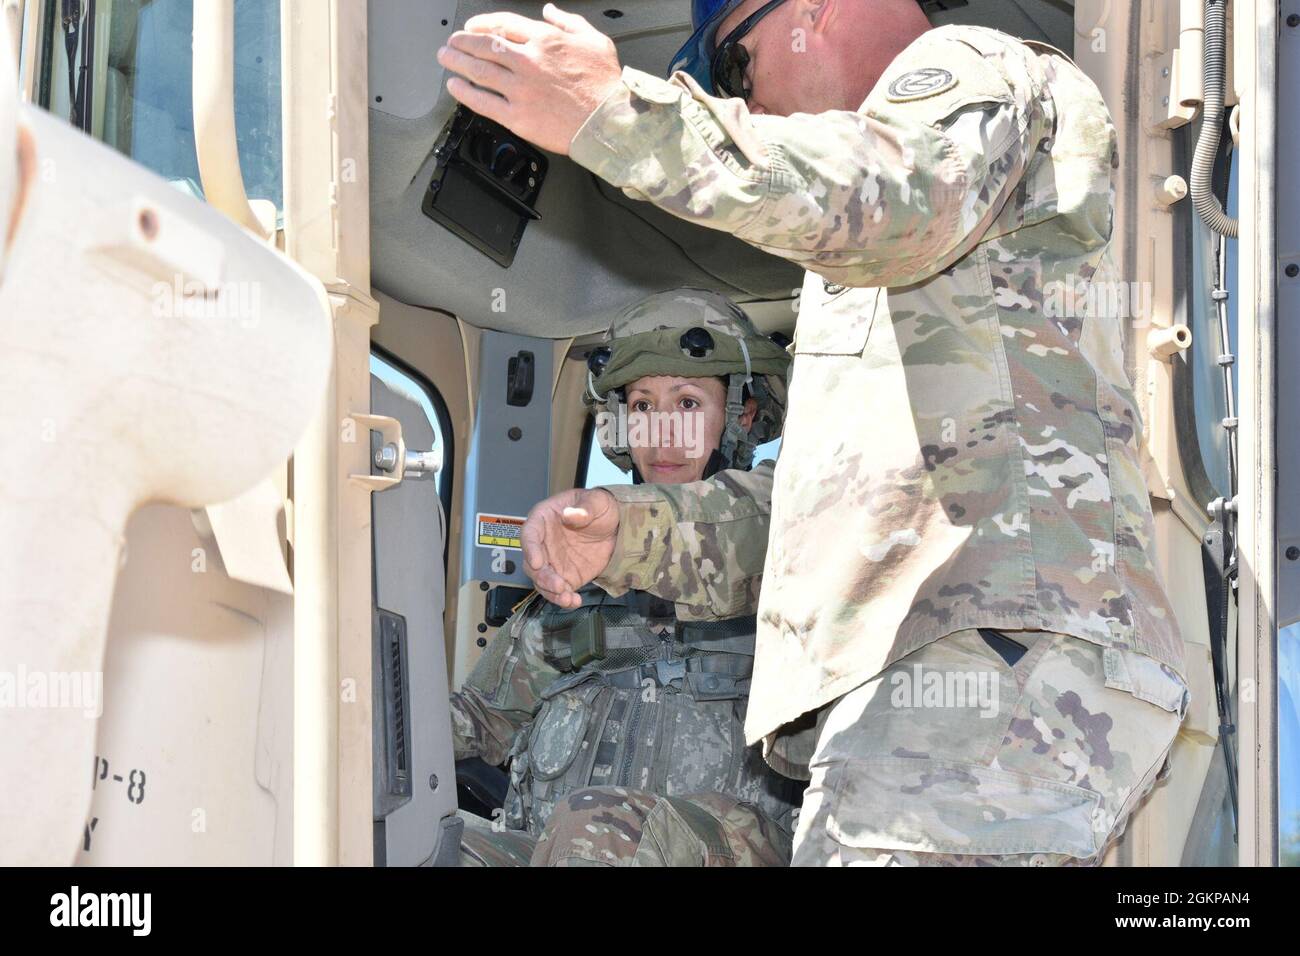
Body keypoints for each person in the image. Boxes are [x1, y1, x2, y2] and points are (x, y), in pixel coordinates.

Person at [440, 1, 1191, 866]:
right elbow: (824, 515)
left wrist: (618, 115)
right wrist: (636, 530)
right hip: (940, 665)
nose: (744, 104)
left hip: (990, 648)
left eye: (734, 69)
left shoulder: (968, 70)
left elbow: (885, 192)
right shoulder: (890, 276)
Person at [450, 289, 802, 866]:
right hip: (573, 851)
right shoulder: (572, 594)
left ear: (741, 414)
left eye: (687, 404)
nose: (662, 433)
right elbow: (486, 717)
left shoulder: (788, 552)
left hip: (735, 853)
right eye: (641, 406)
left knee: (598, 823)